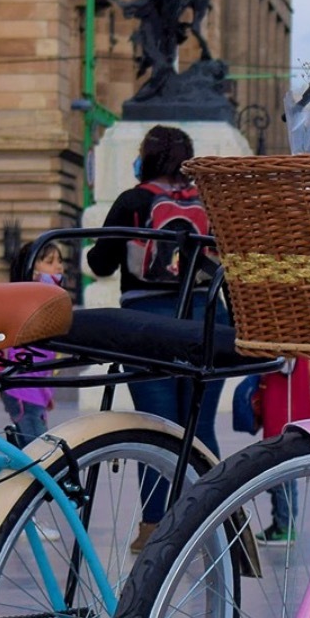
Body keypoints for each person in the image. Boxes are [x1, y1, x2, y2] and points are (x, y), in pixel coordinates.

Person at [86, 125, 227, 543]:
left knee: (158, 427)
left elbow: (101, 265)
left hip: (149, 324)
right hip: (205, 321)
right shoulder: (209, 201)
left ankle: (154, 528)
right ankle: (208, 519)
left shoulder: (133, 200)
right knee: (199, 427)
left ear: (145, 157)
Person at [0, 242, 63, 446]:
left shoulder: (48, 300)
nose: (59, 267)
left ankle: (20, 474)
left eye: (60, 261)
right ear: (32, 270)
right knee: (37, 449)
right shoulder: (29, 301)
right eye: (50, 261)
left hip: (34, 389)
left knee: (30, 445)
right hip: (22, 389)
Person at [258, 356, 310, 543]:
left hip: (280, 425)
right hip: (297, 423)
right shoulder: (303, 357)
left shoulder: (278, 358)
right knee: (282, 480)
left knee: (283, 482)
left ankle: (285, 527)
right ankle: (279, 523)